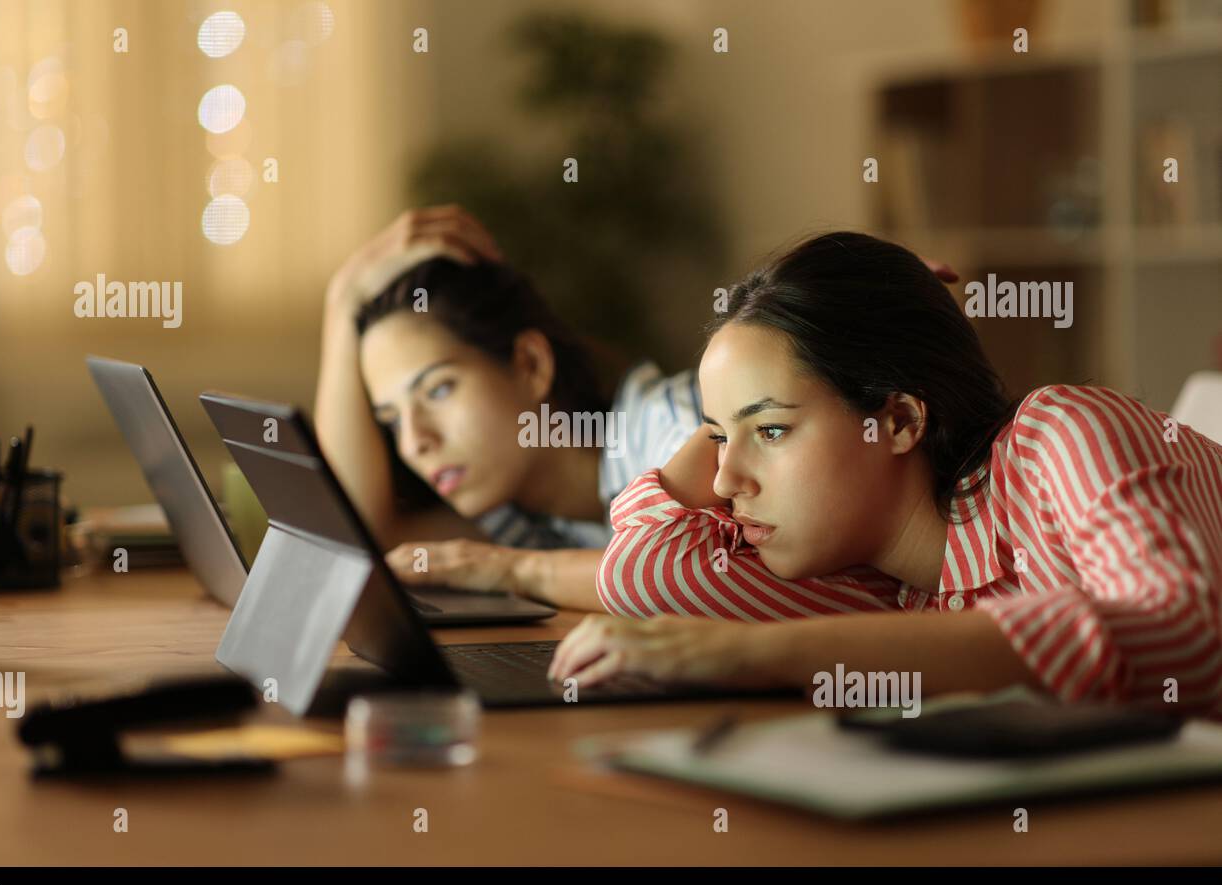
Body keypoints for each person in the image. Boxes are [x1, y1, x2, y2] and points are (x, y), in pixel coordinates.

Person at [549, 231, 1222, 718]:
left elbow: (1184, 636)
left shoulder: (1064, 433)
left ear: (898, 420)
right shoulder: (878, 593)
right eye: (719, 438)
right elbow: (643, 573)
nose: (725, 482)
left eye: (772, 430)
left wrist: (758, 653)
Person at [315, 205, 704, 610]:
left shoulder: (674, 426)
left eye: (438, 390)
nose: (414, 443)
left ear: (530, 365)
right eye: (392, 421)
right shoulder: (515, 514)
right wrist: (342, 302)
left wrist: (516, 569)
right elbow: (355, 539)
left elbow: (708, 569)